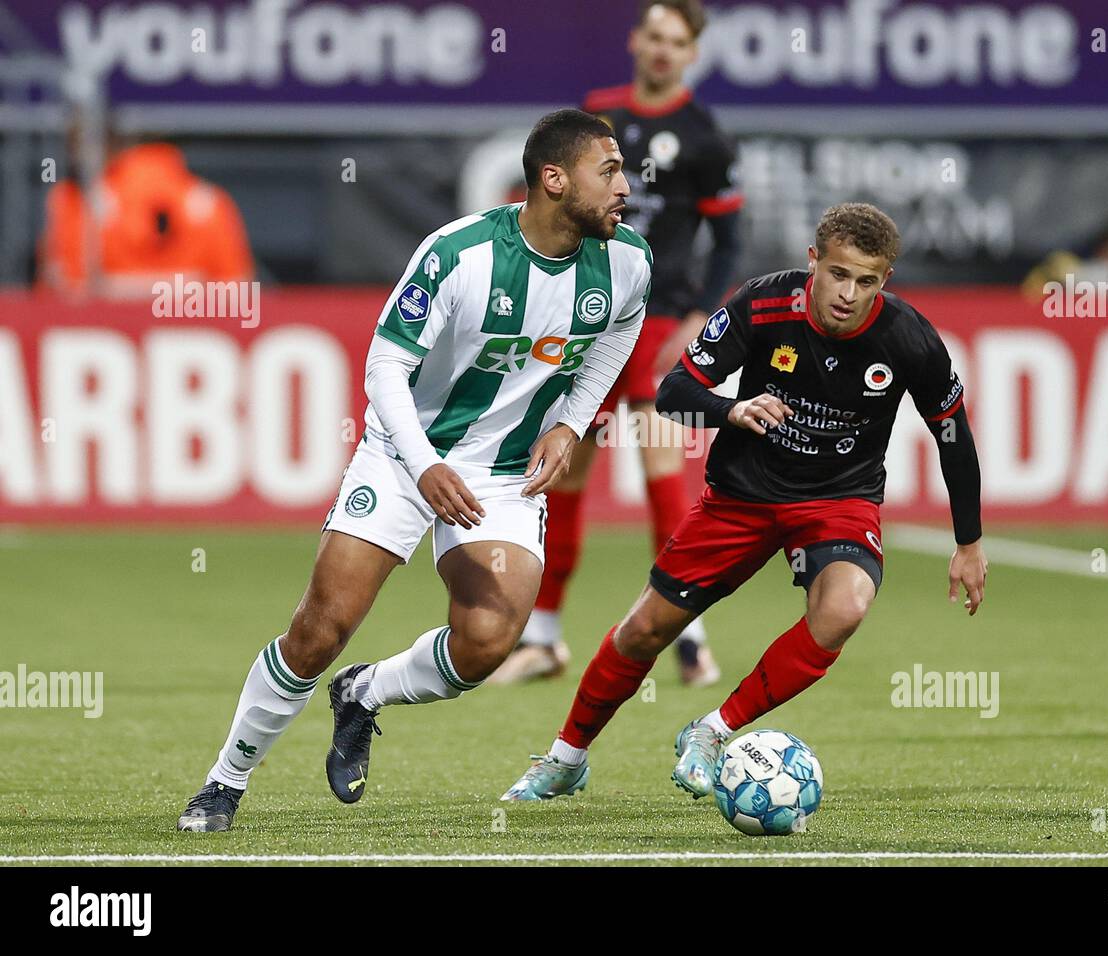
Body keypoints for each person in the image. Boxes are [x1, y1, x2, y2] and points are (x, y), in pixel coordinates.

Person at [177, 110, 650, 831]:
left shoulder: (628, 264)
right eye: (609, 170)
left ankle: (364, 694)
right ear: (554, 179)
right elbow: (385, 364)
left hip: (502, 472)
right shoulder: (459, 254)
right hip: (406, 455)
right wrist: (424, 464)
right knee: (320, 629)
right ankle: (224, 782)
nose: (625, 186)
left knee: (490, 638)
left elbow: (617, 334)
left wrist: (569, 420)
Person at [501, 202, 988, 802]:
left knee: (844, 608)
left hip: (837, 501)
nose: (848, 293)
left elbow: (953, 435)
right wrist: (731, 409)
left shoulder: (909, 337)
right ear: (814, 262)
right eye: (838, 274)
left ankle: (712, 730)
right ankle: (566, 757)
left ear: (884, 281)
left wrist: (968, 542)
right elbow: (675, 391)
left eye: (866, 281)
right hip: (741, 497)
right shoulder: (761, 303)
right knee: (643, 633)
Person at [491, 0, 743, 688]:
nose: (662, 50)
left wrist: (698, 315)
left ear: (691, 53)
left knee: (662, 471)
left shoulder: (705, 137)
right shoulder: (598, 120)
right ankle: (542, 637)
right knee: (568, 471)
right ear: (635, 41)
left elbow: (729, 242)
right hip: (591, 314)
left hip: (660, 320)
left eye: (676, 41)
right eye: (654, 36)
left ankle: (686, 634)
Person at [40, 131, 253, 296]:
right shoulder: (211, 201)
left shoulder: (78, 201)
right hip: (190, 336)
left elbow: (62, 293)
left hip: (105, 333)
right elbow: (236, 292)